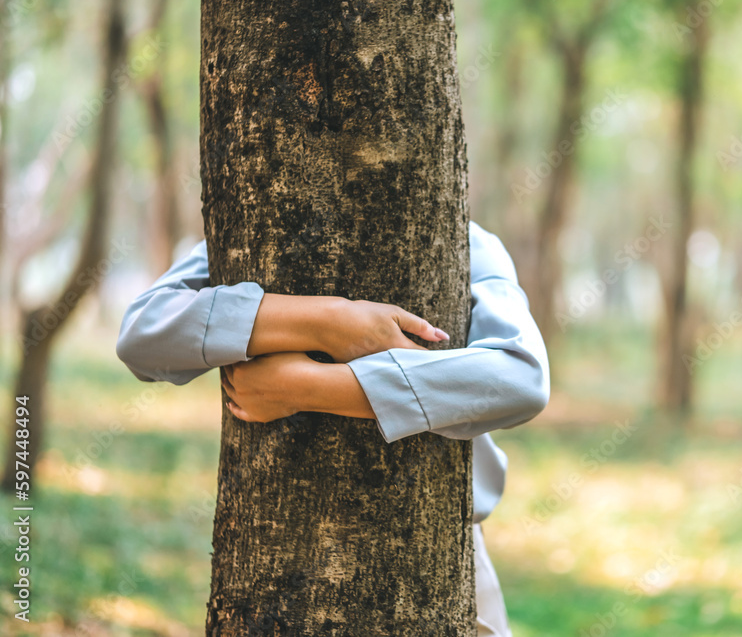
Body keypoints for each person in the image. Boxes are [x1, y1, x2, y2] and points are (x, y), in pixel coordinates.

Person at [115, 220, 549, 636]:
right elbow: (143, 332)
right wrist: (328, 322)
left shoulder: (466, 240)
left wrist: (310, 388)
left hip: (445, 554)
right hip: (282, 560)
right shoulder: (258, 228)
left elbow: (520, 377)